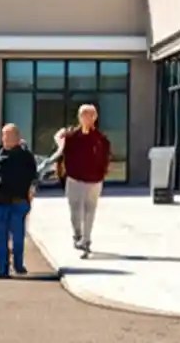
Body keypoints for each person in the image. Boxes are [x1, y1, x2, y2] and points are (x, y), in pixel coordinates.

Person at [0, 124, 38, 279]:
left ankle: (18, 264)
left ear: (18, 137)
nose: (7, 138)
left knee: (18, 237)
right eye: (4, 135)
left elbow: (33, 178)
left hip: (19, 202)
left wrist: (31, 194)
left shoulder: (26, 156)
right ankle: (2, 268)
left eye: (10, 135)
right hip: (0, 203)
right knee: (1, 237)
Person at [55, 103, 111, 258]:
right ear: (79, 117)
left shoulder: (101, 139)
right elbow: (59, 142)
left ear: (95, 118)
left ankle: (86, 239)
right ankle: (77, 235)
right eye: (84, 115)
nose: (87, 118)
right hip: (74, 178)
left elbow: (106, 157)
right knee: (75, 211)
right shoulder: (71, 136)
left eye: (90, 115)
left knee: (90, 210)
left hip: (94, 180)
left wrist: (102, 172)